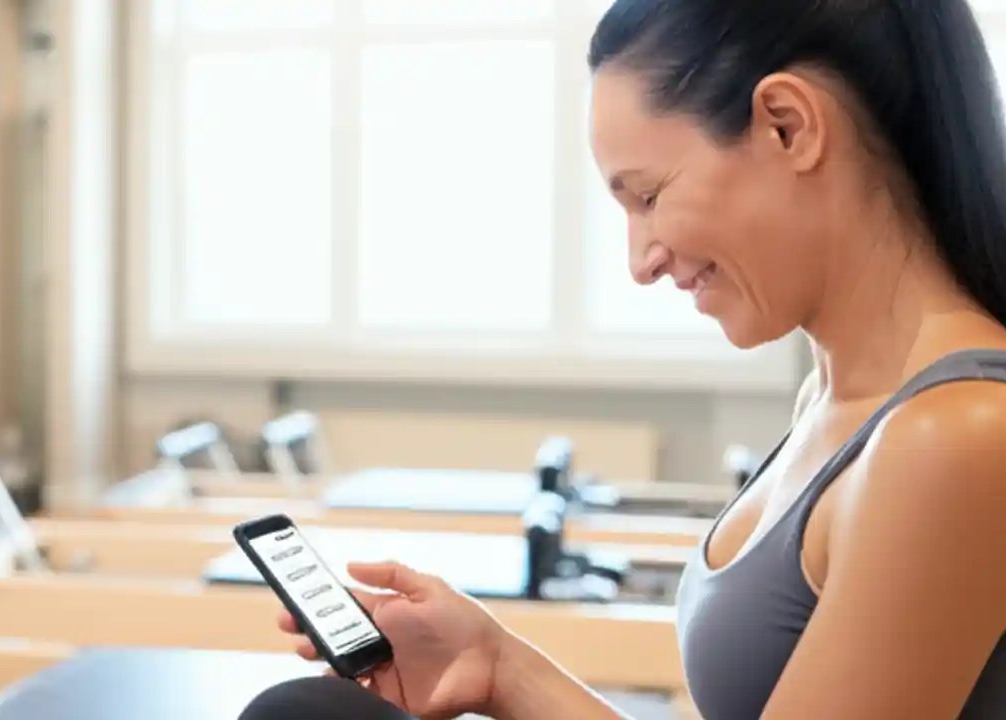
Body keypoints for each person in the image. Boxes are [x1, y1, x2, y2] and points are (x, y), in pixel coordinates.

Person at [241, 0, 1006, 717]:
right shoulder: (831, 401)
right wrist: (504, 667)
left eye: (648, 197)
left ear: (786, 125)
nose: (641, 260)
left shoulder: (958, 434)